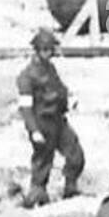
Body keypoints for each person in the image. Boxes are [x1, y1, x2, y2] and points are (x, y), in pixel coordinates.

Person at [16, 28, 85, 207]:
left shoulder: (51, 69)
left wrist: (70, 99)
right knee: (43, 162)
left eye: (50, 49)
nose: (49, 53)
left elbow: (60, 88)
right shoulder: (26, 77)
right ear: (37, 50)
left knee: (75, 154)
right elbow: (25, 108)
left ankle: (70, 188)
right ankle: (36, 196)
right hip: (41, 123)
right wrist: (34, 130)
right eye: (45, 49)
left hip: (58, 121)